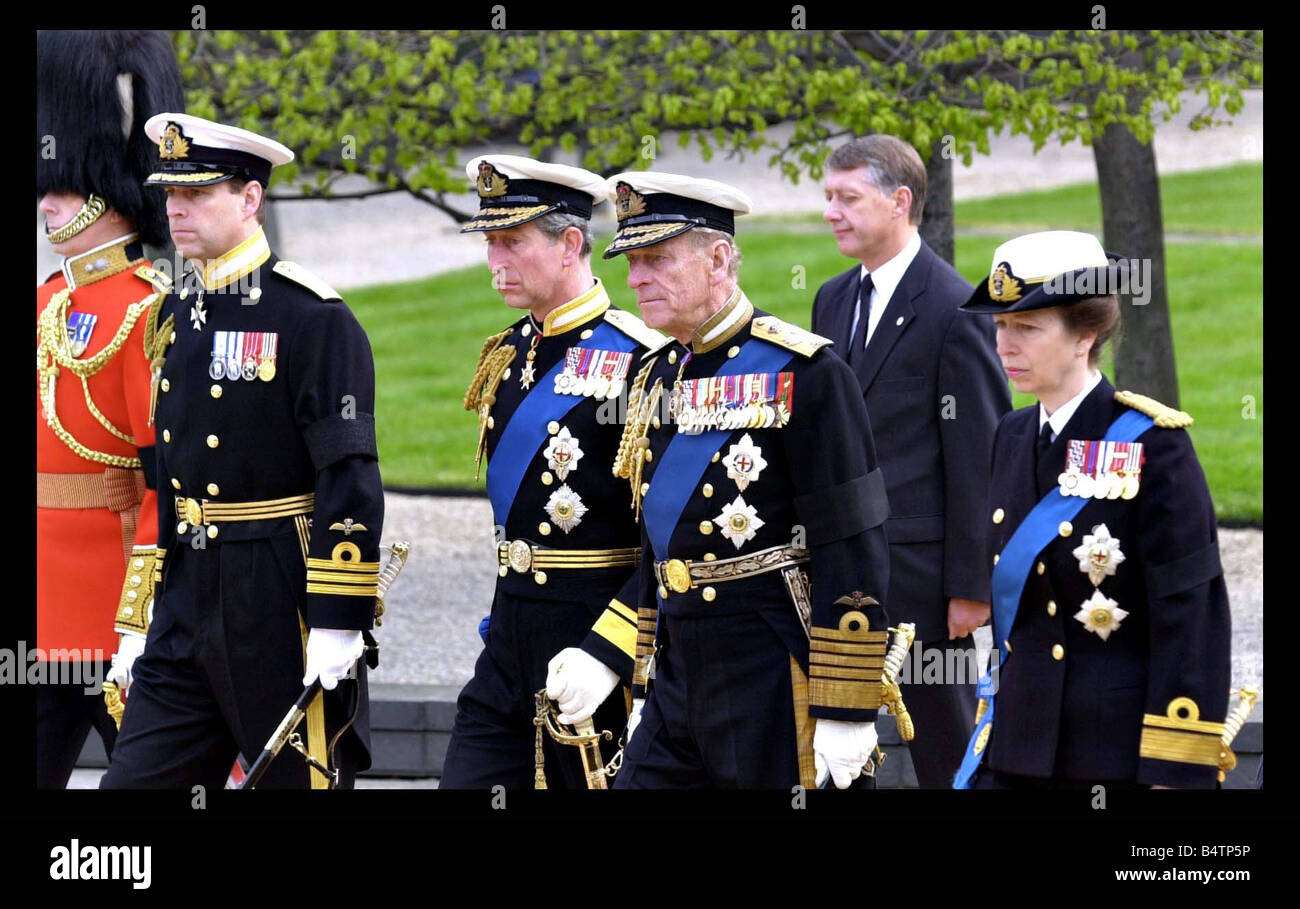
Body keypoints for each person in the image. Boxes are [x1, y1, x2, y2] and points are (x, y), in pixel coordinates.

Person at [100, 113, 384, 789]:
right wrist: (138, 620)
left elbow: (349, 478)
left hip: (274, 591)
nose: (176, 209)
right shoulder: (174, 314)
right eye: (171, 194)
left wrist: (339, 620)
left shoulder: (313, 317)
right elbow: (165, 482)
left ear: (249, 198)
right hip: (185, 595)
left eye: (197, 193)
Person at [602, 171, 894, 789]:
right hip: (680, 670)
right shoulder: (654, 374)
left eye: (655, 259)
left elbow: (853, 540)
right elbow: (662, 548)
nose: (634, 279)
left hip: (771, 665)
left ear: (718, 260)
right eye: (631, 262)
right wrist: (642, 677)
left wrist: (845, 701)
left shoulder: (807, 372)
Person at [954, 230, 1231, 789]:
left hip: (1114, 754)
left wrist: (1174, 769)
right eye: (1001, 326)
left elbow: (1190, 614)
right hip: (1015, 748)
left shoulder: (1154, 444)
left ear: (1085, 335)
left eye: (1027, 329)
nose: (1005, 346)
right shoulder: (1010, 433)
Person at [443, 155, 666, 789]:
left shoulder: (640, 363)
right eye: (489, 243)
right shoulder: (508, 353)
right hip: (511, 633)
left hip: (596, 633)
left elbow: (667, 536)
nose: (494, 263)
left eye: (511, 242)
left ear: (571, 244)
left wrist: (616, 650)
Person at [812, 135, 1010, 787]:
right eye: (827, 197)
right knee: (834, 734)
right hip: (845, 568)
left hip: (925, 581)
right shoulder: (833, 299)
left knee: (944, 739)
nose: (831, 212)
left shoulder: (955, 309)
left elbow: (980, 455)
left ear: (900, 201)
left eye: (848, 197)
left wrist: (970, 588)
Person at [35, 30, 184, 788]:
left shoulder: (148, 313)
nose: (47, 196)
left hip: (110, 609)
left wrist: (138, 616)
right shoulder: (45, 303)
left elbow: (164, 483)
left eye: (61, 182)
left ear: (108, 185)